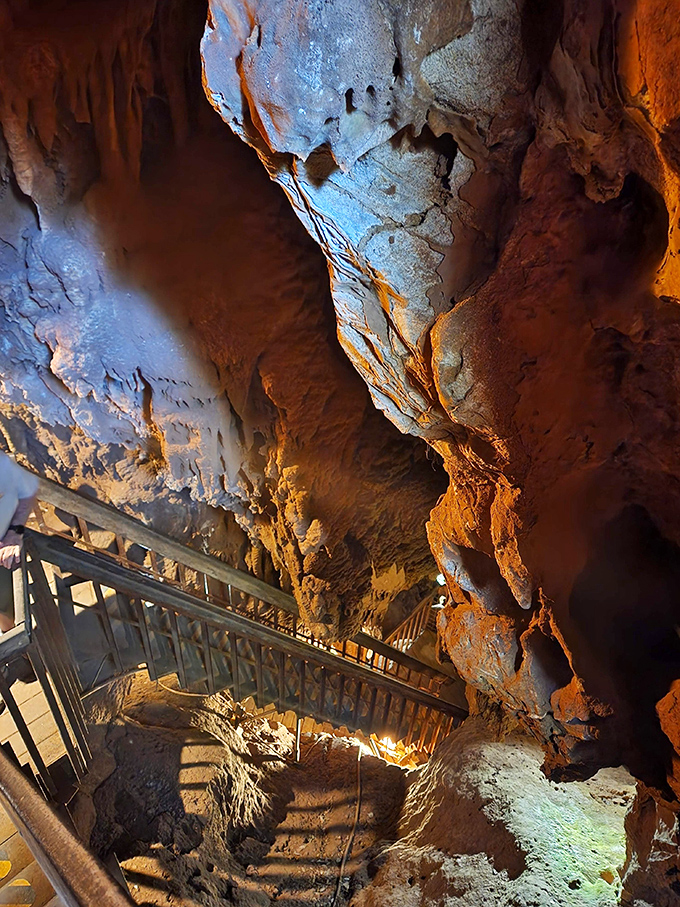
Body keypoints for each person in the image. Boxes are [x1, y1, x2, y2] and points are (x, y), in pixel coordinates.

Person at [0, 451, 39, 632]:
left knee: (8, 619)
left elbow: (29, 490)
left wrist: (15, 533)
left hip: (4, 552)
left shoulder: (2, 466)